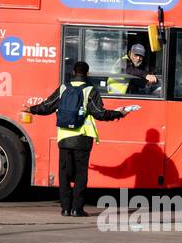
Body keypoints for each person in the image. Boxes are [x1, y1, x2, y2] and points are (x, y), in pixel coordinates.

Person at [28, 60, 139, 217]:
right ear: (87, 74)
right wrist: (119, 113)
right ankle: (77, 209)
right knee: (81, 174)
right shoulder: (90, 91)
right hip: (83, 139)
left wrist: (31, 109)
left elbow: (47, 106)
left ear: (73, 72)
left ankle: (65, 208)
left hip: (64, 137)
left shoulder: (63, 88)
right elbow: (100, 114)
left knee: (64, 173)